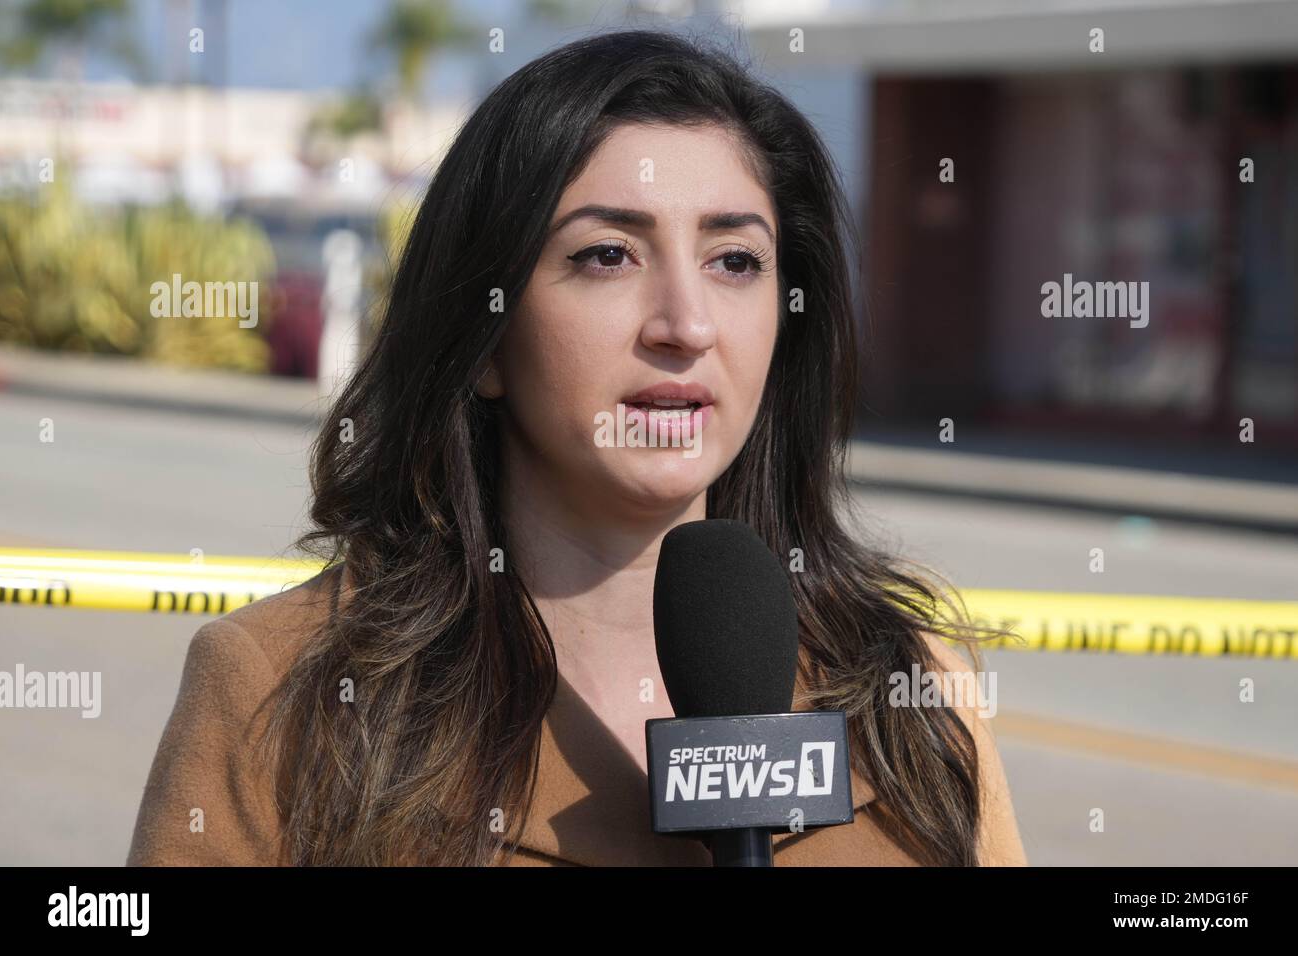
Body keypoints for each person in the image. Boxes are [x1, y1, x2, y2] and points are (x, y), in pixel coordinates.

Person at [127, 28, 1028, 867]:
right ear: (484, 339)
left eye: (735, 261)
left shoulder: (913, 687)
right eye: (607, 255)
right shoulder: (279, 691)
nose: (686, 324)